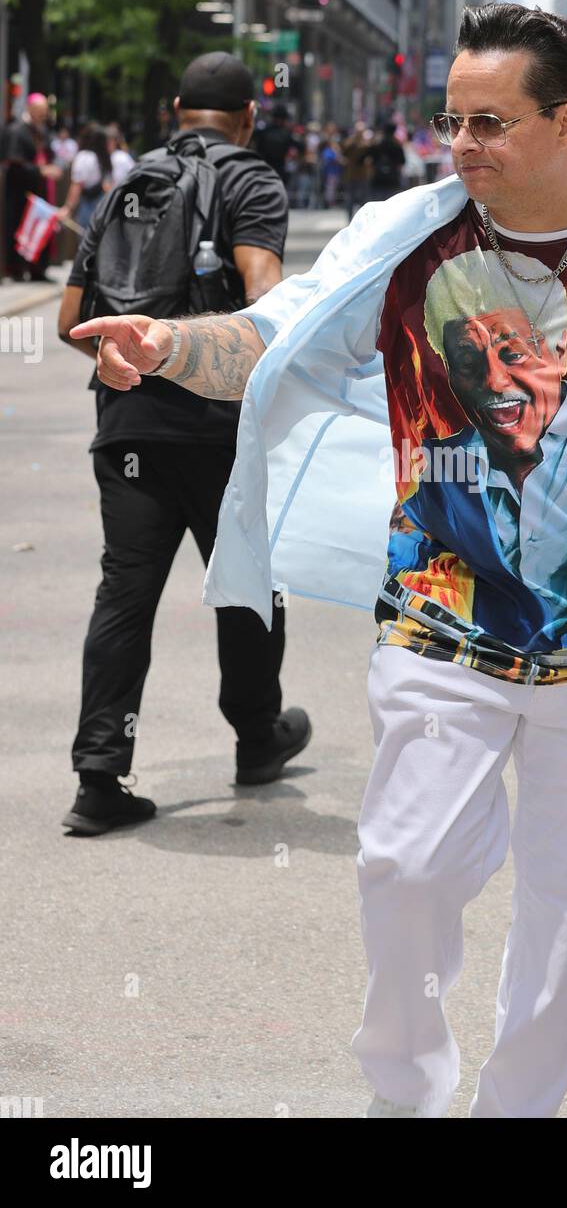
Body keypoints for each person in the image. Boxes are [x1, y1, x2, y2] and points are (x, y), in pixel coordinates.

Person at [71, 3, 567, 1117]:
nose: (460, 144)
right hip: (438, 629)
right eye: (449, 119)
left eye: (490, 122)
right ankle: (403, 1097)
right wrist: (164, 344)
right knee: (402, 873)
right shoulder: (404, 234)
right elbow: (274, 335)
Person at [58, 51, 309, 836]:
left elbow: (72, 315)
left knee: (124, 597)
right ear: (247, 116)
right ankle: (256, 738)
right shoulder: (251, 178)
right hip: (218, 425)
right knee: (246, 581)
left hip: (127, 426)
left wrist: (129, 359)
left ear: (174, 108)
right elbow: (265, 292)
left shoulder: (128, 182)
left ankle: (100, 777)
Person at [1, 92, 62, 280]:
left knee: (41, 227)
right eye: (40, 111)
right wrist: (41, 171)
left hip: (40, 190)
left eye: (45, 111)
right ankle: (17, 269)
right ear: (30, 109)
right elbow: (13, 162)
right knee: (18, 228)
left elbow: (50, 155)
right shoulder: (17, 130)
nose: (43, 115)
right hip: (20, 191)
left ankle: (38, 269)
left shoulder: (42, 131)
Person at [56, 123, 112, 231]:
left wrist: (68, 208)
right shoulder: (104, 158)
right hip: (102, 205)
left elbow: (77, 185)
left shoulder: (84, 157)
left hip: (87, 206)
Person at [254, 103, 295, 197]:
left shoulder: (263, 131)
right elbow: (300, 147)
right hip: (279, 169)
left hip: (263, 167)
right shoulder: (287, 134)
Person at [364, 120, 405, 202]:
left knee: (377, 203)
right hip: (393, 179)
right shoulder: (397, 146)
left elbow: (364, 159)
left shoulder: (376, 145)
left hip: (377, 178)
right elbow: (402, 161)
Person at [340, 121, 373, 220]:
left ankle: (362, 220)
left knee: (364, 199)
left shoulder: (366, 144)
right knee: (350, 198)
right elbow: (343, 151)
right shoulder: (350, 143)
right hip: (351, 175)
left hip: (363, 175)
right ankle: (350, 219)